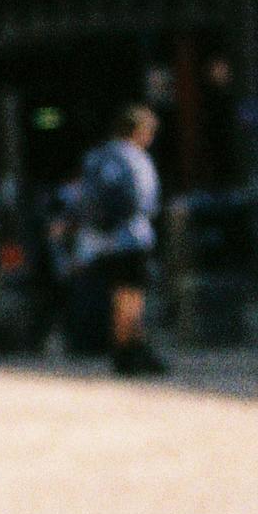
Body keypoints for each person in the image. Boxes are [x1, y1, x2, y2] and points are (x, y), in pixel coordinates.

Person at [69, 103, 165, 375]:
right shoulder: (133, 158)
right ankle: (128, 350)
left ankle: (127, 347)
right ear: (138, 130)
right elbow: (143, 200)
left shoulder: (97, 157)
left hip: (103, 240)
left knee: (120, 295)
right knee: (131, 296)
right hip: (132, 236)